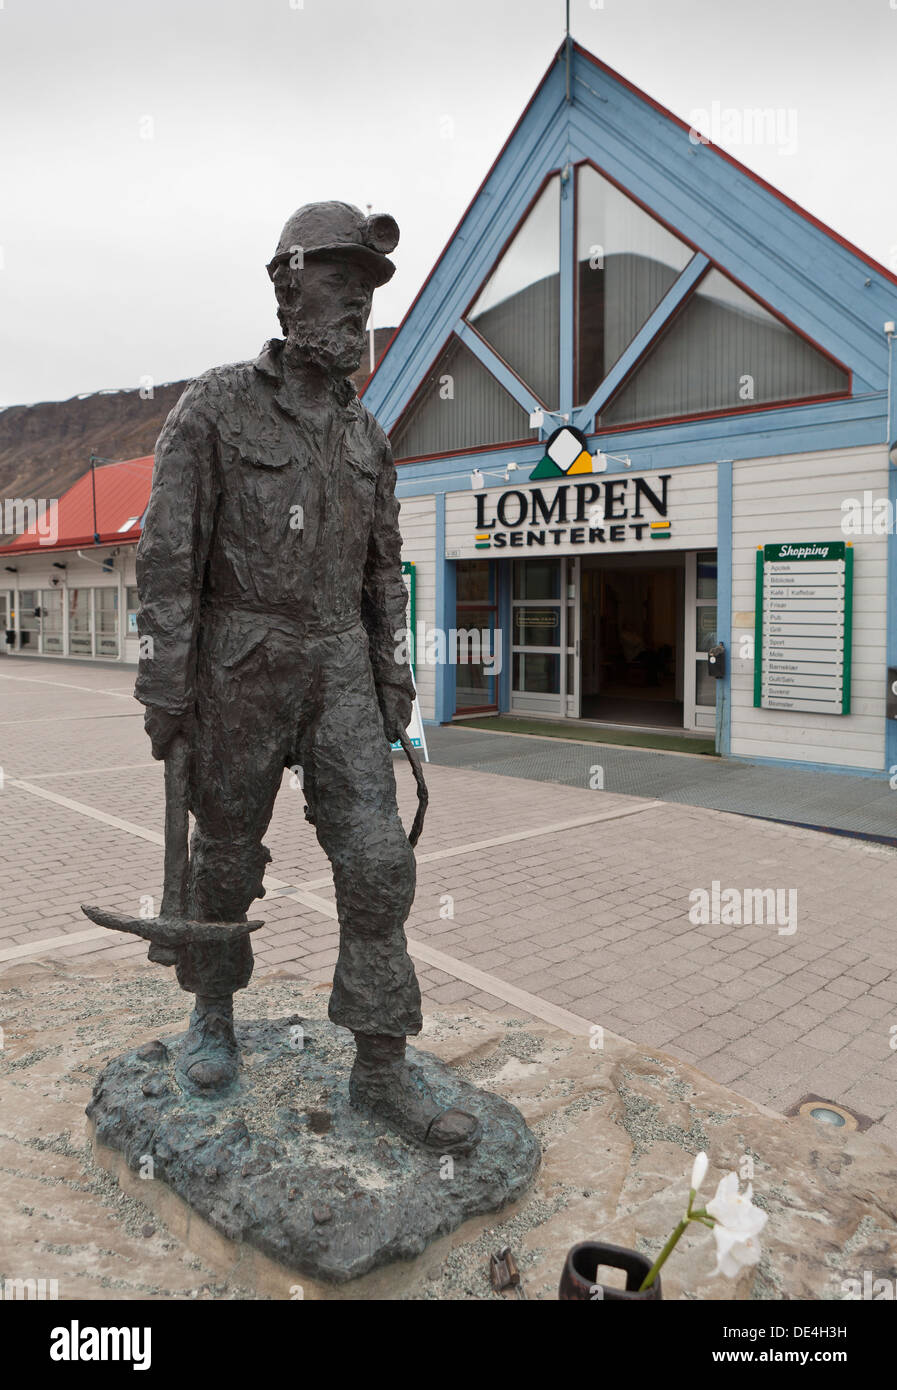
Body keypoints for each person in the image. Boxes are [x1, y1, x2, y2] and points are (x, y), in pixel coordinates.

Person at [135, 202, 478, 1153]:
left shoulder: (369, 439)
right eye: (341, 285)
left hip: (338, 671)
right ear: (289, 287)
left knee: (377, 863)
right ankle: (211, 1018)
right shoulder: (214, 407)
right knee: (227, 859)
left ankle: (380, 1065)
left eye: (368, 293)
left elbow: (382, 573)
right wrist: (165, 683)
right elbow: (167, 557)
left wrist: (393, 685)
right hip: (238, 663)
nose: (358, 310)